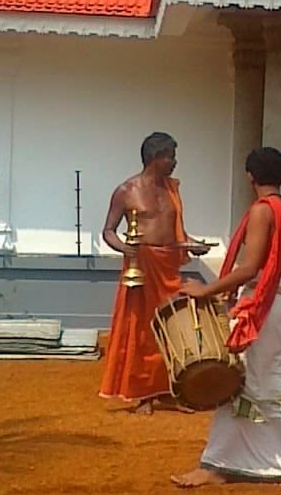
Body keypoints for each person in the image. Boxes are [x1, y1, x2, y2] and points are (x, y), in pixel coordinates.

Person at [172, 147, 281, 488]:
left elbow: (250, 268)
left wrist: (207, 290)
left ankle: (216, 464)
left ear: (250, 177)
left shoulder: (263, 212)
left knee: (233, 381)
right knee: (278, 381)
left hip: (260, 305)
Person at [99, 131, 205, 414]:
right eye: (170, 156)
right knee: (143, 329)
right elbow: (108, 230)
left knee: (173, 327)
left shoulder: (172, 190)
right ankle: (144, 393)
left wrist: (192, 243)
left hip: (169, 264)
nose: (174, 162)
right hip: (142, 266)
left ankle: (171, 389)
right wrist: (124, 248)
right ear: (155, 158)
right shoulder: (126, 191)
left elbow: (174, 230)